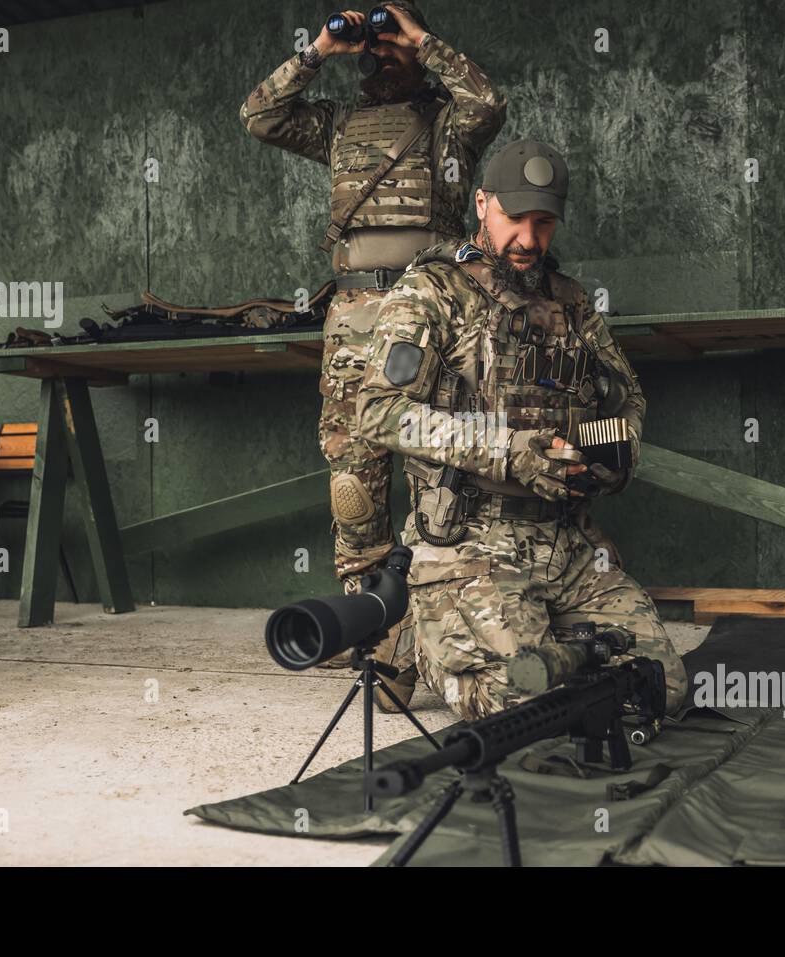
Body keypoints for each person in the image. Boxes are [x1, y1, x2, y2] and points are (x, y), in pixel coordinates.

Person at [355, 139, 689, 720]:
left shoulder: (571, 301)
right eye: (515, 219)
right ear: (482, 204)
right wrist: (509, 451)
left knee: (660, 690)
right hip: (470, 540)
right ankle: (422, 627)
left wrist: (615, 450)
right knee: (528, 703)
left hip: (567, 545)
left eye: (544, 223)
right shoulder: (432, 292)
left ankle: (513, 637)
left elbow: (627, 393)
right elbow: (378, 410)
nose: (529, 239)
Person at [240, 2, 506, 708]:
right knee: (353, 484)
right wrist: (320, 48)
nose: (379, 49)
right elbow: (259, 116)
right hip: (354, 316)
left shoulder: (452, 121)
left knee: (437, 482)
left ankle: (438, 630)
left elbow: (489, 98)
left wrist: (418, 37)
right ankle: (372, 635)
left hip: (431, 314)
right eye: (373, 41)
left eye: (392, 41)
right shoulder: (336, 125)